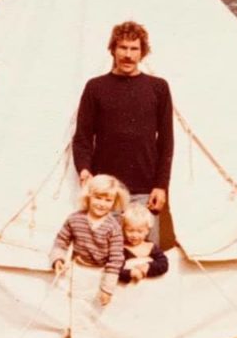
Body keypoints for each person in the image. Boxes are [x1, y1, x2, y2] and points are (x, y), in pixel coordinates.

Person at [72, 21, 174, 244]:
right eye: (123, 48)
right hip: (106, 194)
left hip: (145, 193)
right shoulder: (95, 87)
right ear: (113, 50)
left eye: (134, 49)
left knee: (143, 259)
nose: (128, 55)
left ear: (142, 52)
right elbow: (82, 137)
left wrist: (161, 186)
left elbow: (166, 142)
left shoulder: (158, 88)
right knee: (105, 258)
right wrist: (84, 170)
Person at [49, 174, 129, 306]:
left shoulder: (113, 227)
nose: (102, 204)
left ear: (114, 202)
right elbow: (61, 241)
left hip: (101, 272)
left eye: (108, 200)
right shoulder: (74, 219)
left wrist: (107, 289)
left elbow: (116, 259)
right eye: (98, 198)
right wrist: (58, 259)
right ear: (88, 197)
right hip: (78, 269)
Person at [118, 202, 169, 284]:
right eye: (130, 230)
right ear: (123, 229)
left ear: (147, 230)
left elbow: (164, 264)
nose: (134, 235)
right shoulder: (121, 249)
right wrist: (130, 273)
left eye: (140, 231)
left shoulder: (151, 247)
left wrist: (149, 266)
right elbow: (114, 270)